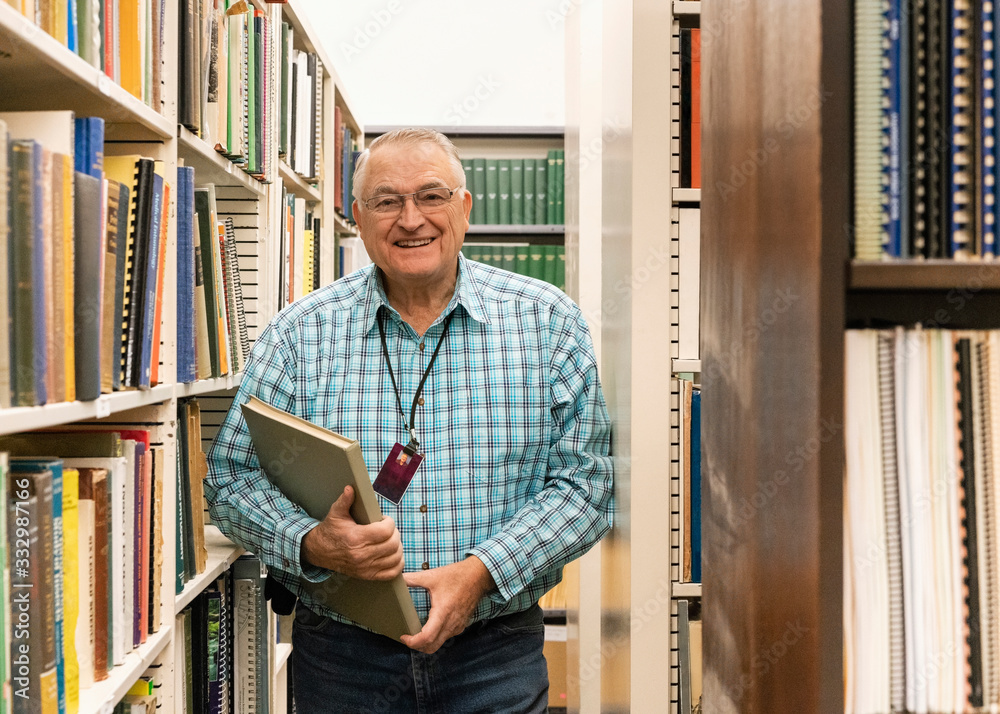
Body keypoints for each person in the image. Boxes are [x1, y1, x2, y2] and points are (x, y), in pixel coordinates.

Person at [205, 128, 614, 713]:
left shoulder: (547, 323)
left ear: (465, 207)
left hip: (494, 657)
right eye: (387, 200)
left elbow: (588, 487)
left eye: (431, 195)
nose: (411, 219)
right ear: (359, 216)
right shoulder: (299, 333)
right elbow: (231, 481)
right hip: (341, 659)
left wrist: (482, 572)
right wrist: (313, 542)